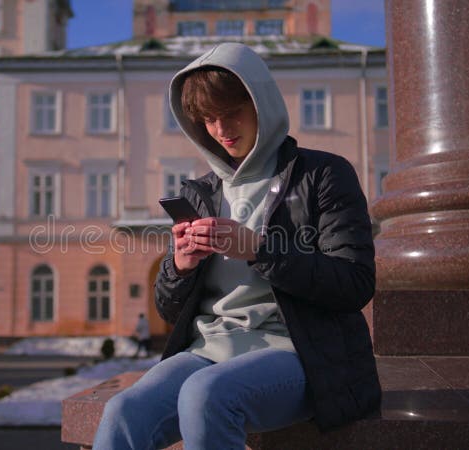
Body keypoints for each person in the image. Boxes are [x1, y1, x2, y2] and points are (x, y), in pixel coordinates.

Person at [93, 43, 380, 449]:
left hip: (301, 352)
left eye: (232, 114)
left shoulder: (323, 175)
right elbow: (170, 311)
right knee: (122, 412)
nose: (221, 130)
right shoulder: (201, 194)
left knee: (206, 395)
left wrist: (261, 250)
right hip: (208, 348)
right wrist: (181, 266)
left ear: (261, 104)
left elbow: (355, 282)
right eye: (209, 119)